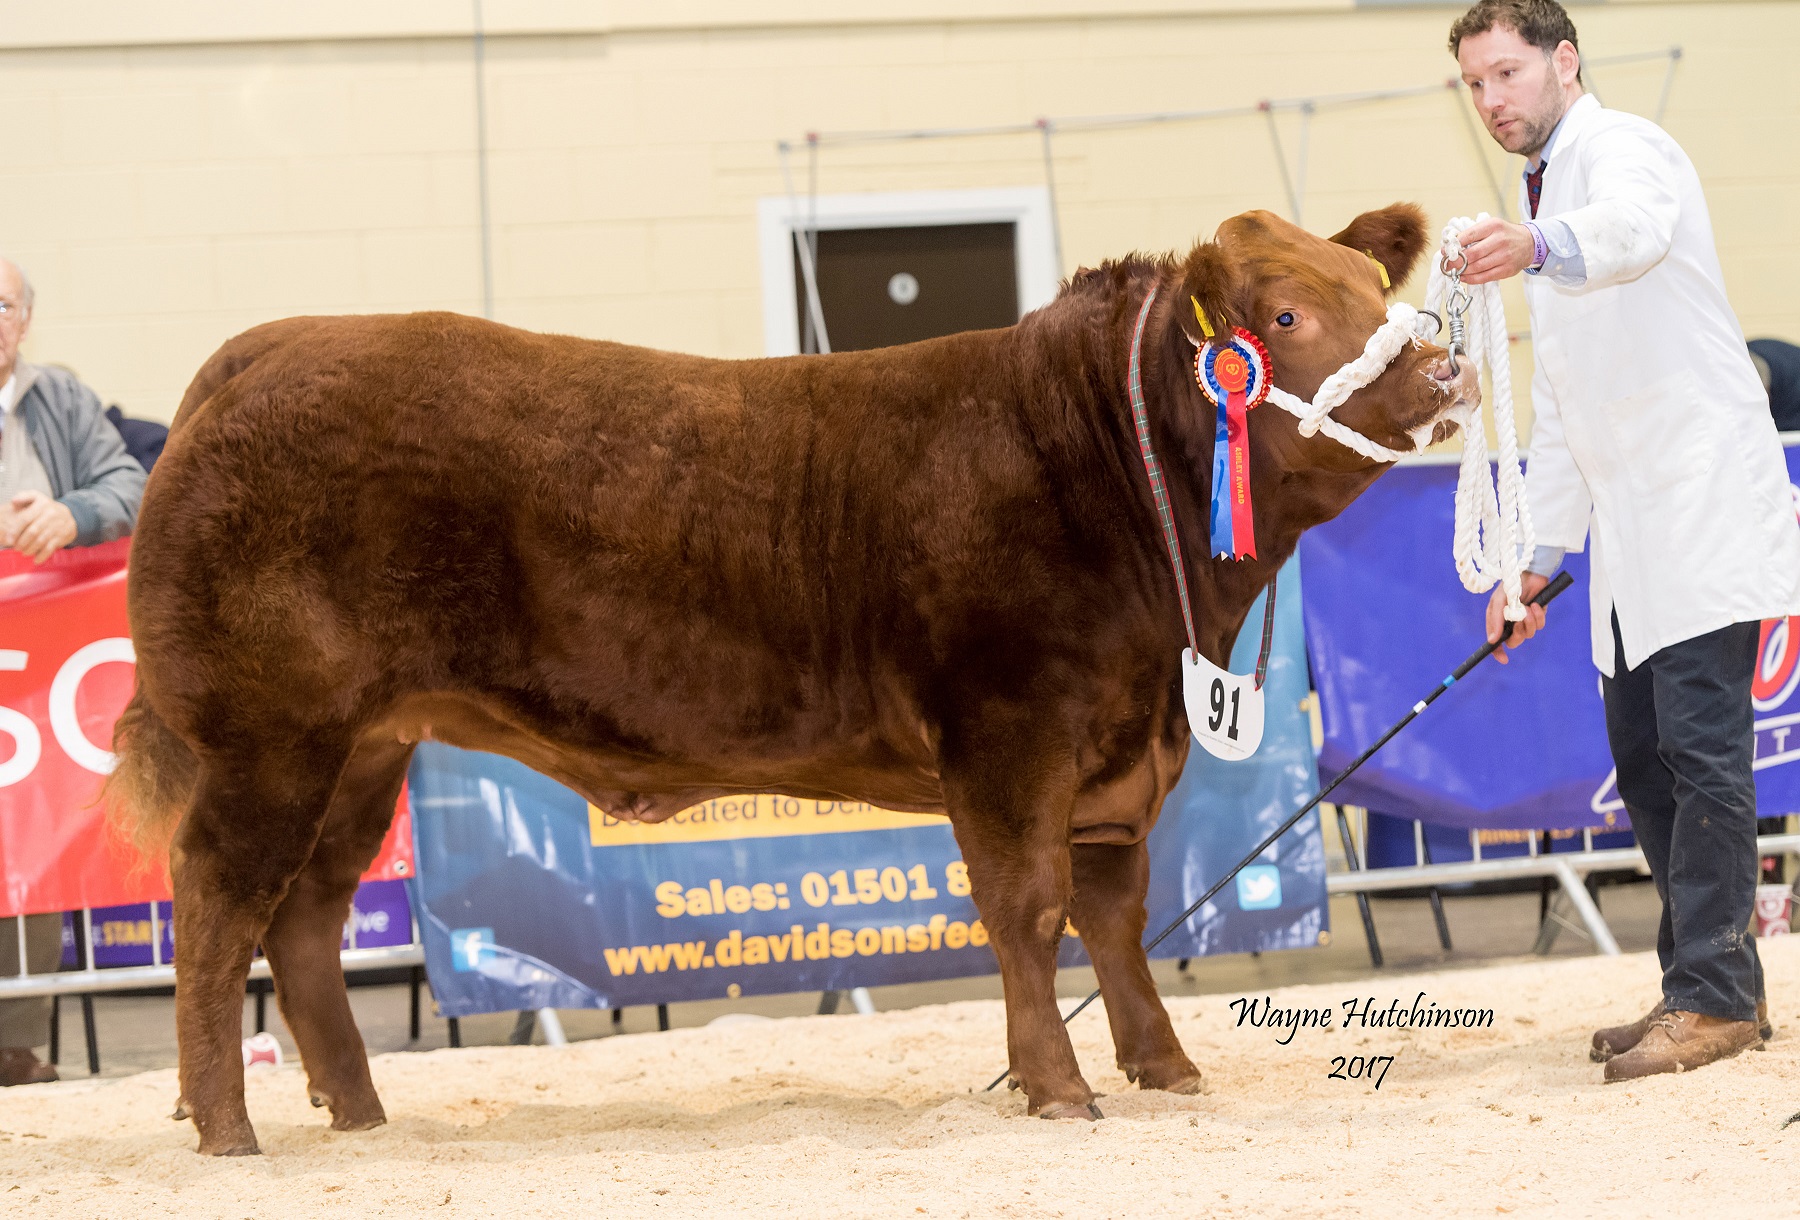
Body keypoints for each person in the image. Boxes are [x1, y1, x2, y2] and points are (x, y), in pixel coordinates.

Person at [1450, 0, 1800, 1081]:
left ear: (1564, 61)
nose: (1492, 99)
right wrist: (1537, 561)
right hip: (1628, 538)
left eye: (1507, 73)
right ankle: (1703, 979)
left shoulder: (1624, 151)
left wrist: (1541, 243)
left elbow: (1635, 231)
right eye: (1474, 85)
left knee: (1701, 757)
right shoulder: (1541, 192)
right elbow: (1562, 409)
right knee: (1647, 763)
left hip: (1698, 509)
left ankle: (1717, 999)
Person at [0, 254, 147, 1086]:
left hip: (34, 660)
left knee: (27, 831)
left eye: (3, 305)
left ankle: (14, 1044)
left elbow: (131, 481)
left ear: (24, 319)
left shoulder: (60, 398)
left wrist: (73, 513)